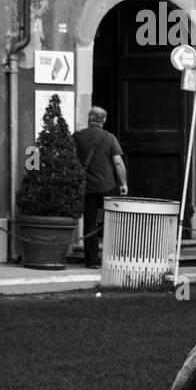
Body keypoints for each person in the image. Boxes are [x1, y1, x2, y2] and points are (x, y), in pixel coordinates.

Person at [72, 106, 127, 269]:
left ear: (89, 118)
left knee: (90, 224)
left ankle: (92, 261)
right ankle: (113, 259)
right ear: (103, 120)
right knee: (112, 222)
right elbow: (118, 162)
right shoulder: (109, 138)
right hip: (107, 187)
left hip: (87, 188)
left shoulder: (78, 137)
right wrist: (123, 183)